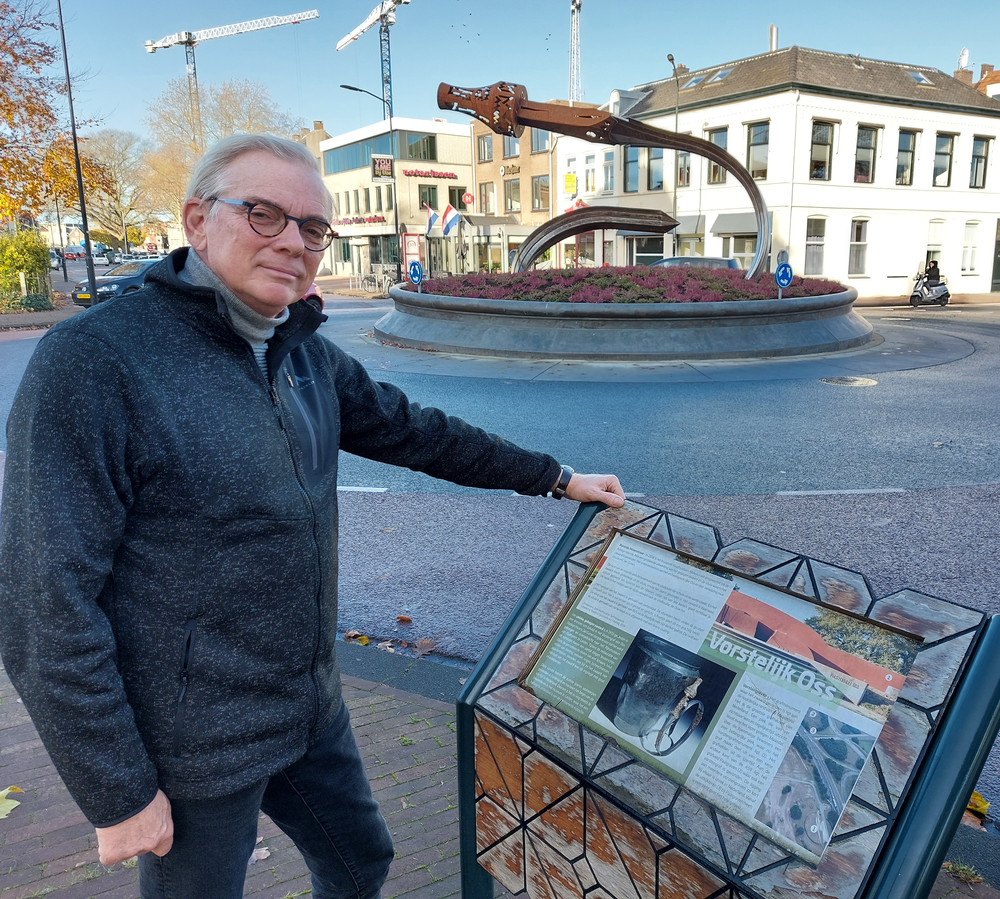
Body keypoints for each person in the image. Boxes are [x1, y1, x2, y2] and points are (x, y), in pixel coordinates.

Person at [0, 134, 624, 899]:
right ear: (197, 220)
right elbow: (42, 600)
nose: (293, 241)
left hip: (307, 709)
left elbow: (417, 430)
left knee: (361, 861)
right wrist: (117, 789)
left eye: (313, 228)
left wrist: (556, 478)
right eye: (264, 214)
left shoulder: (299, 350)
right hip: (195, 742)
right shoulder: (96, 362)